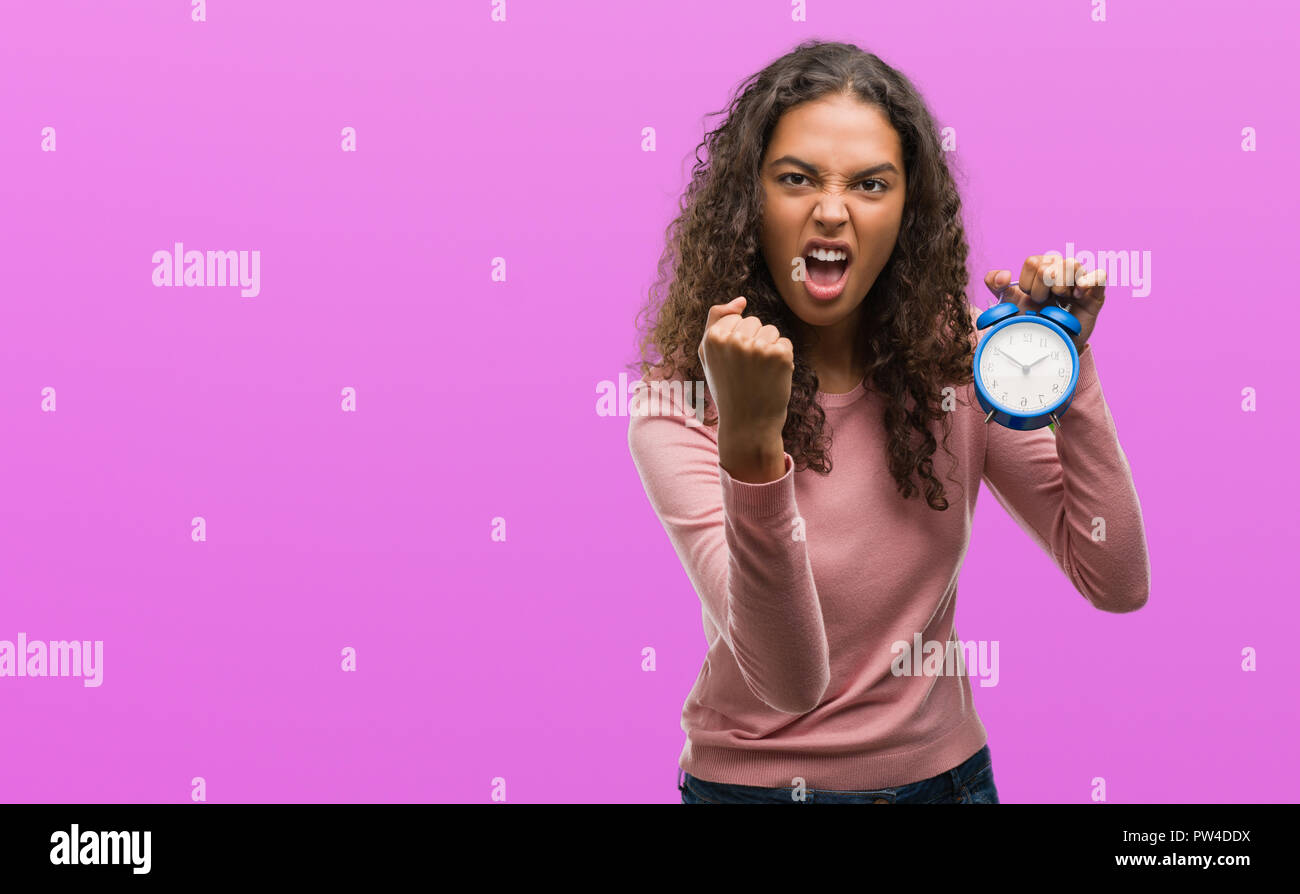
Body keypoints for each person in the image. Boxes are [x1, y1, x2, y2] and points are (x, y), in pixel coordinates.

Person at [626, 40, 1151, 804]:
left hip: (946, 784)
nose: (832, 210)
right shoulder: (684, 402)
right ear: (749, 201)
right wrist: (748, 443)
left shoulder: (957, 366)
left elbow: (1117, 580)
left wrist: (1060, 366)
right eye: (797, 178)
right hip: (751, 792)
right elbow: (790, 683)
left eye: (870, 184)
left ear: (907, 211)